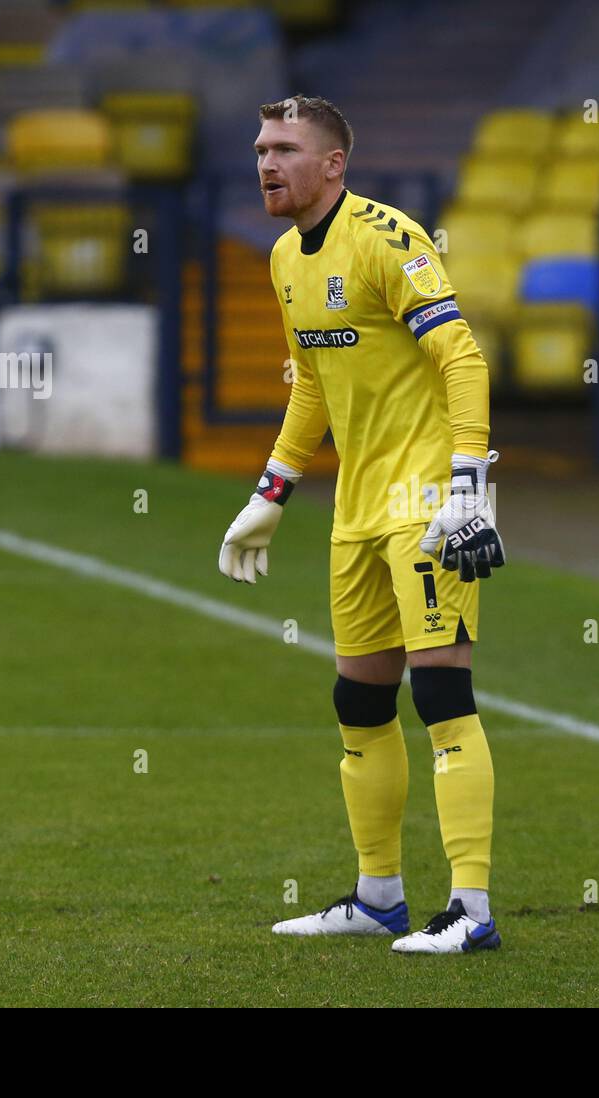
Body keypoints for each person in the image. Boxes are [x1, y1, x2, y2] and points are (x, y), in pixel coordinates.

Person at [218, 95, 505, 954]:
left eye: (285, 149)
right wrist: (273, 491)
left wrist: (468, 484)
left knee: (442, 696)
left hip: (425, 503)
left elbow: (462, 356)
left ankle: (472, 913)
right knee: (359, 700)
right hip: (356, 506)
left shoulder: (388, 240)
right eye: (261, 148)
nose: (266, 163)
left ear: (333, 164)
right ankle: (379, 896)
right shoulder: (282, 260)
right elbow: (309, 381)